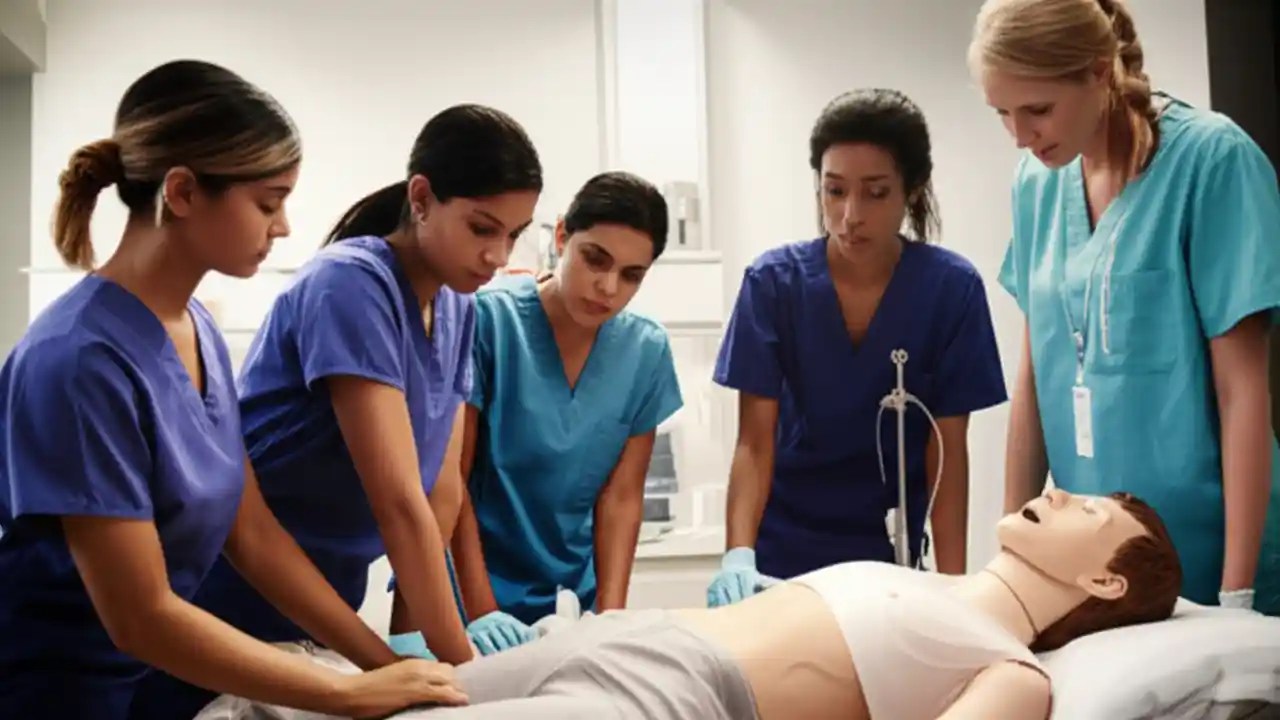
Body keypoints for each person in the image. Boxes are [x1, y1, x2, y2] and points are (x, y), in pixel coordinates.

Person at [0, 60, 465, 720]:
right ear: (184, 193)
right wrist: (346, 691)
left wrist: (384, 666)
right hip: (61, 695)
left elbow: (252, 534)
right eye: (268, 203)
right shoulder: (76, 360)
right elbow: (139, 615)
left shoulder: (198, 332)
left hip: (161, 687)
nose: (282, 227)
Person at [132, 104, 542, 717]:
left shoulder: (459, 309)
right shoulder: (352, 283)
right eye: (482, 228)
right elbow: (397, 500)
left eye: (514, 234)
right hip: (225, 597)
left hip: (323, 609)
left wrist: (427, 647)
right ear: (422, 198)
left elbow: (440, 490)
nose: (497, 255)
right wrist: (460, 677)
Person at [192, 489, 1183, 720]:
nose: (1056, 490)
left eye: (1086, 509)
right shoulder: (924, 578)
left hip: (681, 698)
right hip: (623, 637)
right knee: (324, 698)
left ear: (1103, 579)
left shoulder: (1015, 673)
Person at [970, 0, 1280, 614]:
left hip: (1214, 560)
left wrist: (1237, 595)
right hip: (1092, 579)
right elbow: (1033, 381)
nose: (1020, 136)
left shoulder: (1211, 163)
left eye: (1037, 110)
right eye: (1002, 113)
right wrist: (1013, 559)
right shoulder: (1035, 184)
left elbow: (1243, 391)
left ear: (1097, 72)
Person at [708, 88, 1008, 605]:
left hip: (890, 549)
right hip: (782, 548)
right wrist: (739, 554)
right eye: (834, 191)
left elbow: (948, 450)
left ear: (912, 190)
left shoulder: (950, 288)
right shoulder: (773, 283)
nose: (850, 214)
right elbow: (754, 443)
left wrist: (955, 588)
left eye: (875, 192)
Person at [391, 171, 682, 653]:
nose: (607, 287)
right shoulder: (487, 321)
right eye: (595, 259)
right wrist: (481, 610)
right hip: (465, 595)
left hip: (569, 603)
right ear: (563, 236)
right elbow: (452, 483)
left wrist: (608, 619)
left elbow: (620, 500)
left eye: (632, 275)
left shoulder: (645, 350)